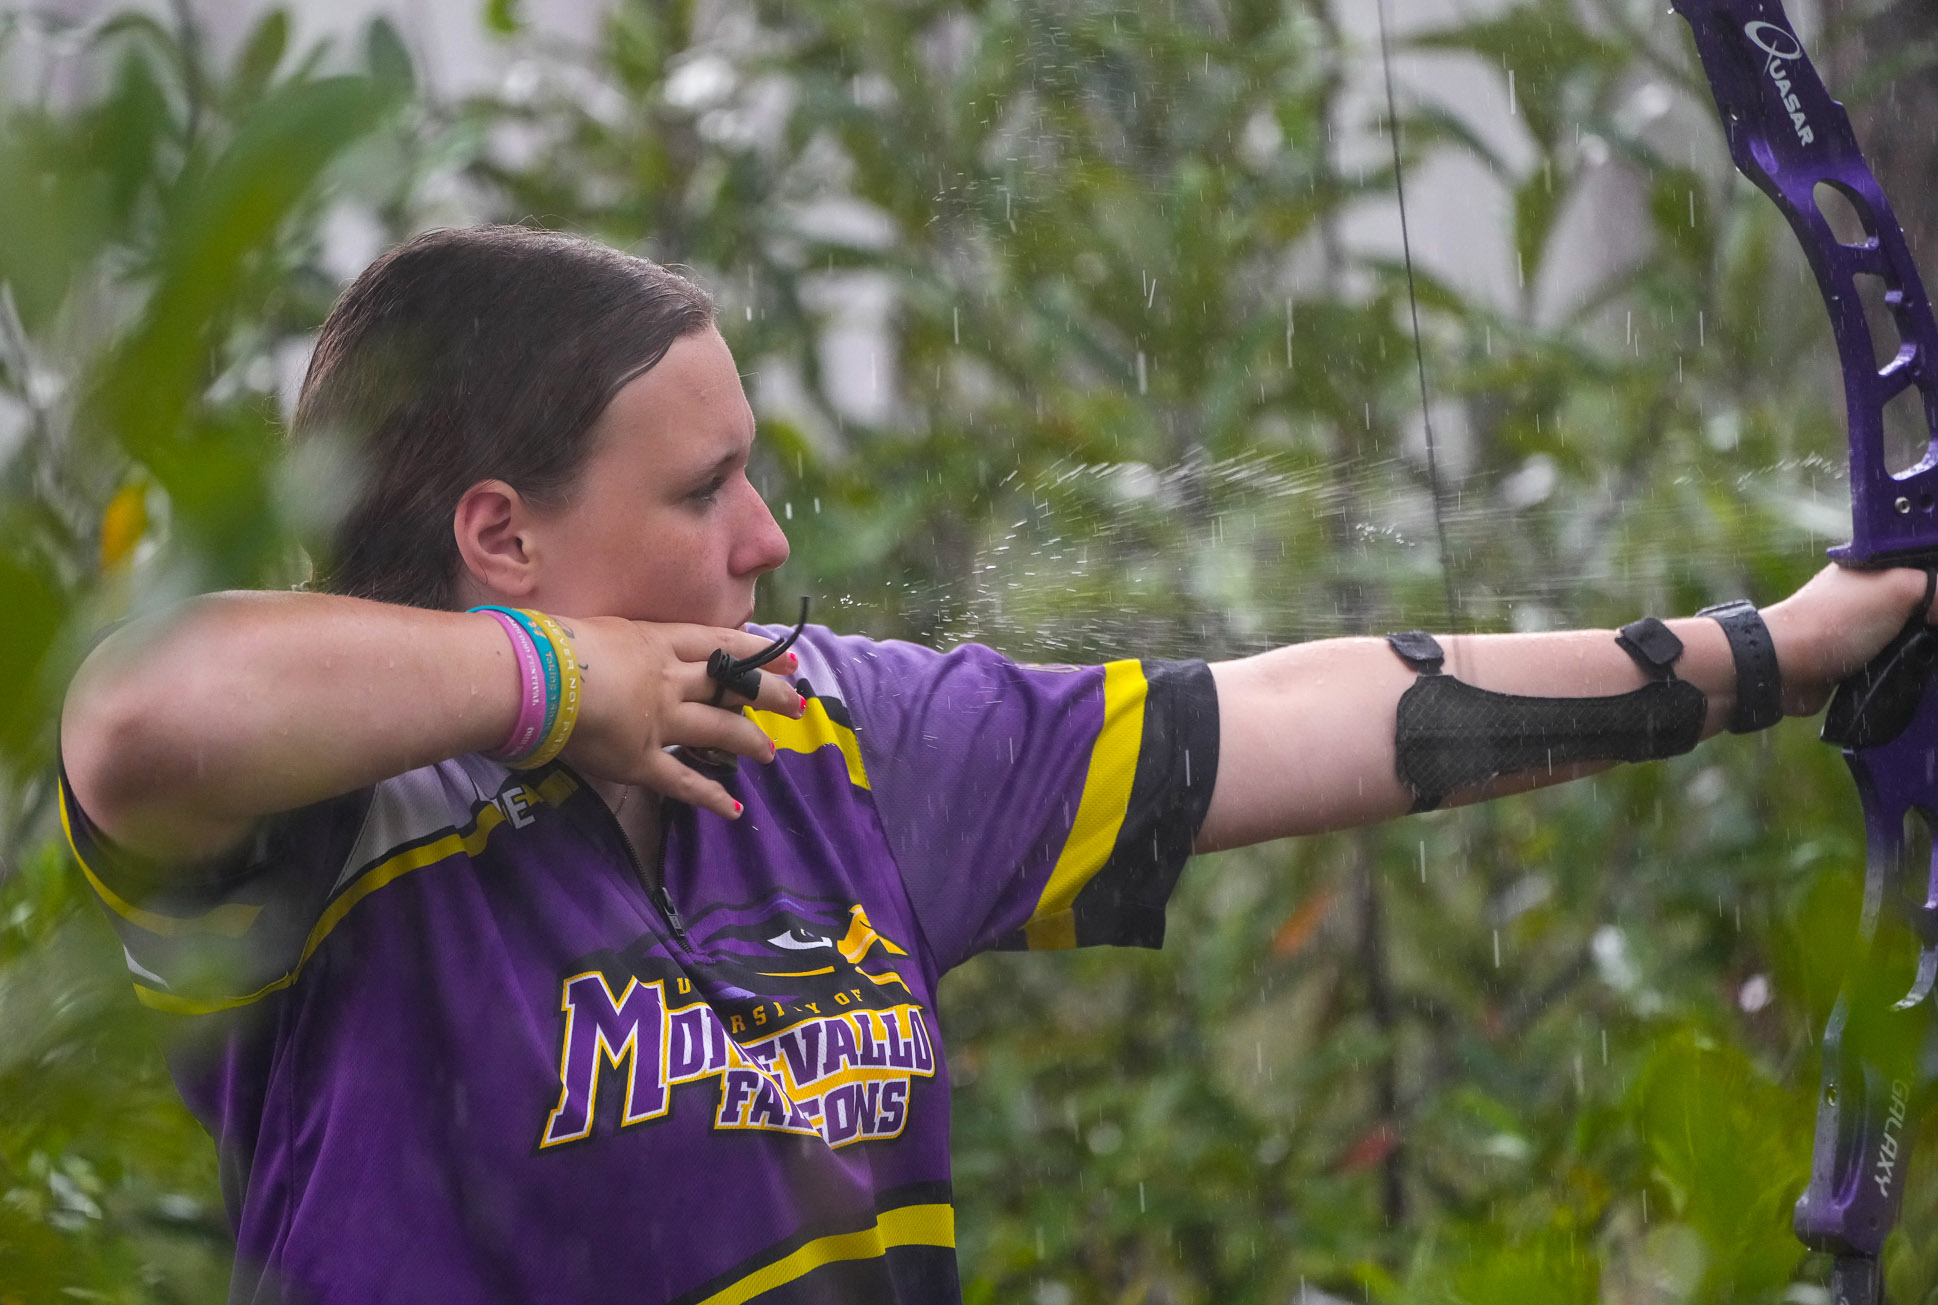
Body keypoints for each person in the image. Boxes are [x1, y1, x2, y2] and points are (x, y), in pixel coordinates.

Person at [56, 224, 1936, 1304]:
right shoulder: (320, 826)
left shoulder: (827, 736)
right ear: (502, 536)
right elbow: (140, 715)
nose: (766, 538)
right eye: (704, 490)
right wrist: (560, 684)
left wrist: (1777, 653)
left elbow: (1305, 710)